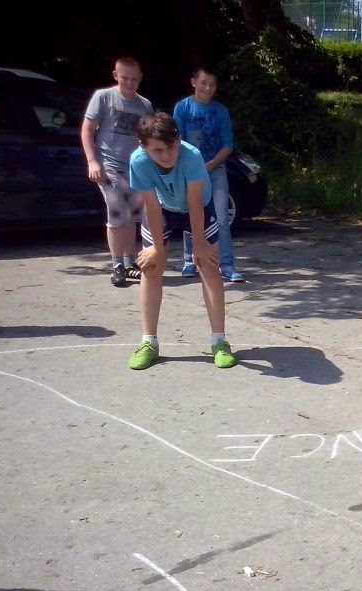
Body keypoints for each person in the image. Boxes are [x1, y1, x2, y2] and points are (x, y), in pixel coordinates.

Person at [126, 112, 236, 371]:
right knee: (151, 267)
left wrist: (198, 243)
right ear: (144, 147)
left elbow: (195, 202)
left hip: (197, 207)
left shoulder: (191, 156)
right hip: (162, 210)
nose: (166, 155)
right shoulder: (138, 161)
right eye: (158, 150)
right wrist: (157, 249)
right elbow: (151, 206)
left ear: (178, 138)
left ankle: (219, 341)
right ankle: (148, 342)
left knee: (208, 264)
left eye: (171, 147)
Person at [80, 57, 153, 287]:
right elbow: (87, 130)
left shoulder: (145, 105)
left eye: (134, 79)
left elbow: (147, 138)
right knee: (117, 211)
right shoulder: (104, 97)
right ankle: (117, 265)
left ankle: (130, 263)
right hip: (109, 165)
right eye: (124, 78)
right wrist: (92, 161)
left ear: (140, 78)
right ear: (115, 75)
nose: (129, 83)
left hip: (134, 168)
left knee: (132, 214)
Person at [173, 65, 244, 281]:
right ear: (194, 82)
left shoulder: (221, 111)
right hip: (188, 171)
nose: (208, 88)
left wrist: (211, 164)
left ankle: (227, 264)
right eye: (204, 83)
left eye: (212, 84)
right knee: (190, 214)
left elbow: (228, 144)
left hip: (216, 170)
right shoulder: (182, 108)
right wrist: (190, 167)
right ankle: (189, 260)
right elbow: (176, 140)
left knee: (221, 218)